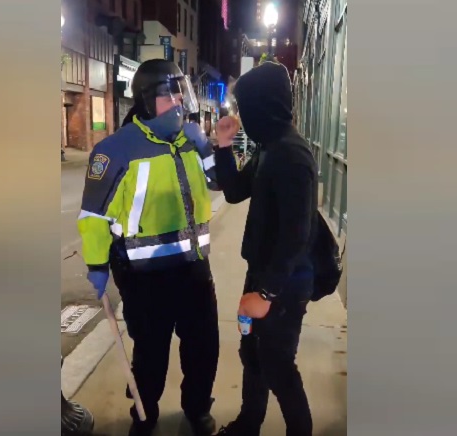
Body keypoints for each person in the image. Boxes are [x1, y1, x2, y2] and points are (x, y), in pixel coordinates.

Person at [77, 59, 221, 436]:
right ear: (144, 99)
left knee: (203, 347)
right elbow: (94, 217)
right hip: (145, 277)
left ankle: (197, 407)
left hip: (193, 268)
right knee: (150, 355)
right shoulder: (116, 150)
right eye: (167, 94)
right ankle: (145, 412)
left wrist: (210, 147)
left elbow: (221, 182)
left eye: (180, 92)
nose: (177, 101)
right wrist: (97, 265)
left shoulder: (190, 142)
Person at [213, 62, 319, 435]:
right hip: (264, 271)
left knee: (276, 363)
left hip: (285, 280)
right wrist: (223, 144)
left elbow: (296, 234)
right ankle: (248, 423)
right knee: (253, 355)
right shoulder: (270, 147)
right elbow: (234, 190)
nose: (242, 115)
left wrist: (267, 292)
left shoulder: (292, 155)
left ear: (264, 104)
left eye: (245, 106)